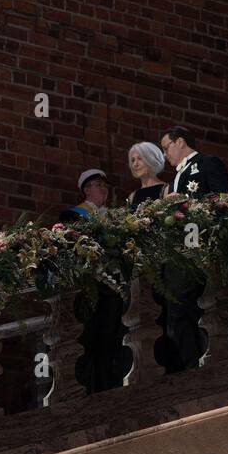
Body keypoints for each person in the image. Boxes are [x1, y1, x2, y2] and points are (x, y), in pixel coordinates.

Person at [157, 128, 228, 372]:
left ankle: (205, 360)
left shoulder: (207, 163)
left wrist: (186, 202)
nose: (165, 154)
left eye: (166, 147)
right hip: (177, 252)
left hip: (200, 246)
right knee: (177, 312)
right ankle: (191, 365)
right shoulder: (172, 179)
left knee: (196, 307)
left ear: (180, 142)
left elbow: (222, 201)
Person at [57, 169, 129, 392]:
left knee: (115, 334)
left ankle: (113, 379)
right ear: (86, 189)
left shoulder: (113, 215)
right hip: (92, 287)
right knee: (93, 337)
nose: (104, 189)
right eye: (99, 185)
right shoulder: (73, 216)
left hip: (114, 285)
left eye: (105, 185)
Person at [128, 143, 168, 211]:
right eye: (133, 160)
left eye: (140, 159)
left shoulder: (166, 189)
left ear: (151, 160)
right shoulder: (132, 196)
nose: (135, 164)